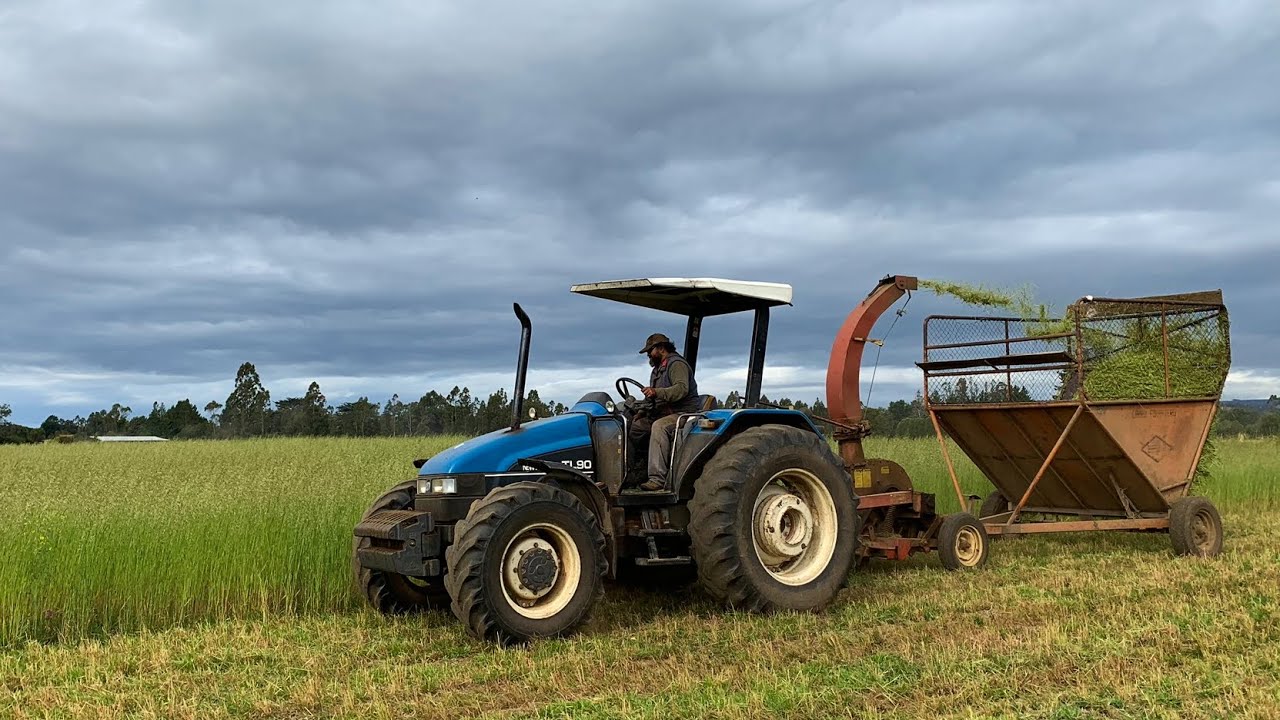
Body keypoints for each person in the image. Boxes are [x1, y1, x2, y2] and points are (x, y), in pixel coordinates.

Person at [627, 333, 700, 492]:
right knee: (635, 427)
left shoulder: (677, 364)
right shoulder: (657, 370)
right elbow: (651, 398)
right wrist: (641, 411)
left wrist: (657, 392)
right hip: (663, 412)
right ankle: (636, 470)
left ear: (661, 348)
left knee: (659, 427)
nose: (648, 354)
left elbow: (681, 389)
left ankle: (657, 478)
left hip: (683, 413)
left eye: (650, 350)